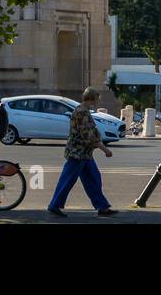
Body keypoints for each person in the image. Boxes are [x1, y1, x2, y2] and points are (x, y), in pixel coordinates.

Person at [47, 87, 118, 218]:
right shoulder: (81, 112)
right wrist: (105, 149)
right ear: (92, 98)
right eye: (97, 98)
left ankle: (102, 207)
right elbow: (88, 136)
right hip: (78, 153)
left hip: (85, 153)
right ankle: (54, 205)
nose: (98, 101)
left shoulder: (83, 110)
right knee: (67, 180)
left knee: (93, 178)